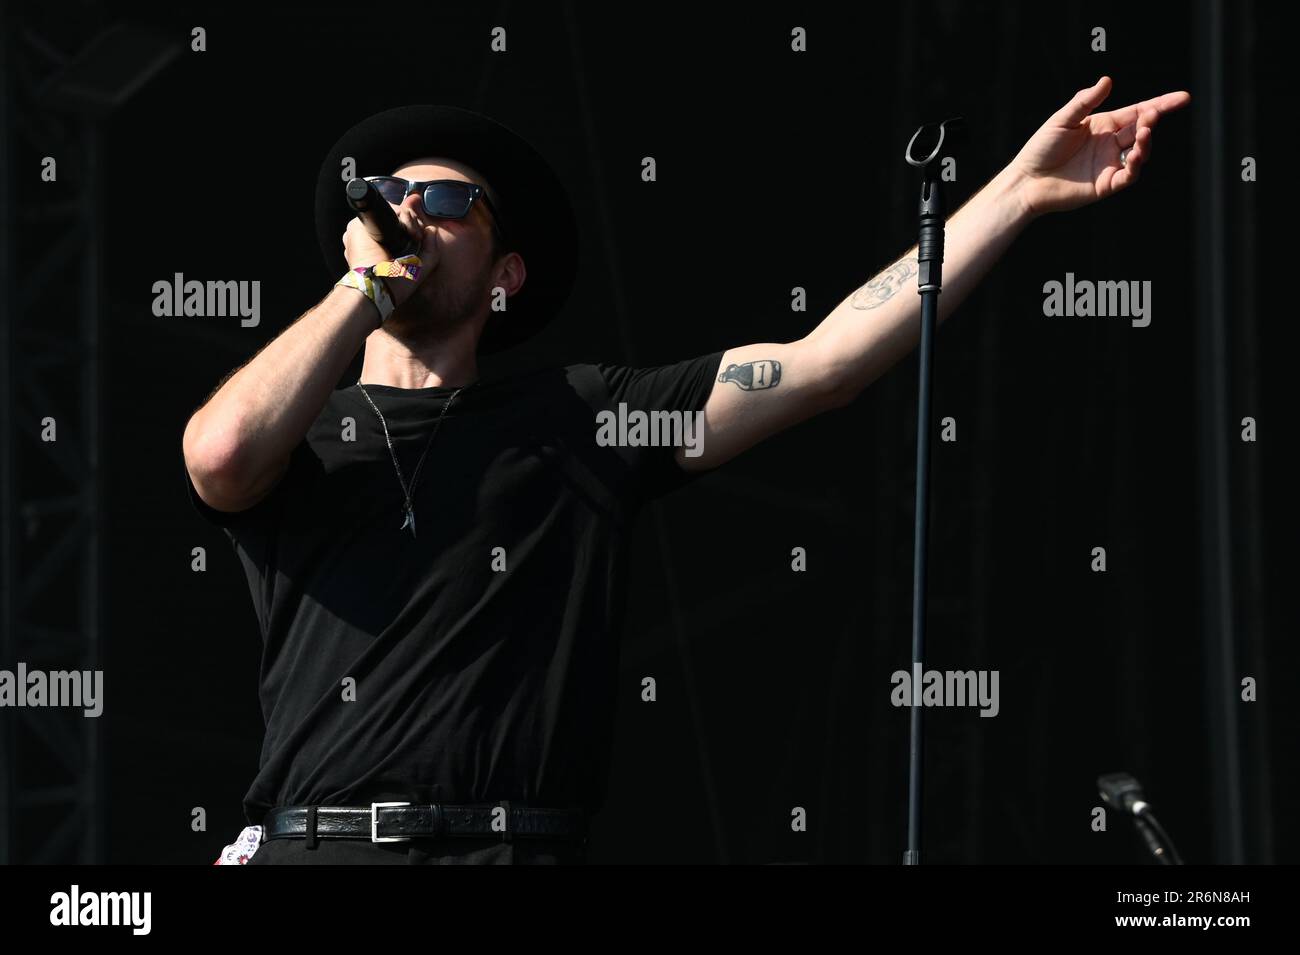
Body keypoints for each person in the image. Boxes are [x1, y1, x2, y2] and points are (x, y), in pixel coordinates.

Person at [185, 80, 1189, 864]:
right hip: (318, 844)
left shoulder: (578, 415)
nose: (414, 208)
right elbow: (219, 456)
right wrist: (362, 286)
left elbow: (825, 361)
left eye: (448, 198)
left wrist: (1012, 192)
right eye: (394, 197)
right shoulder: (303, 433)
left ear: (505, 273)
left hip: (512, 846)